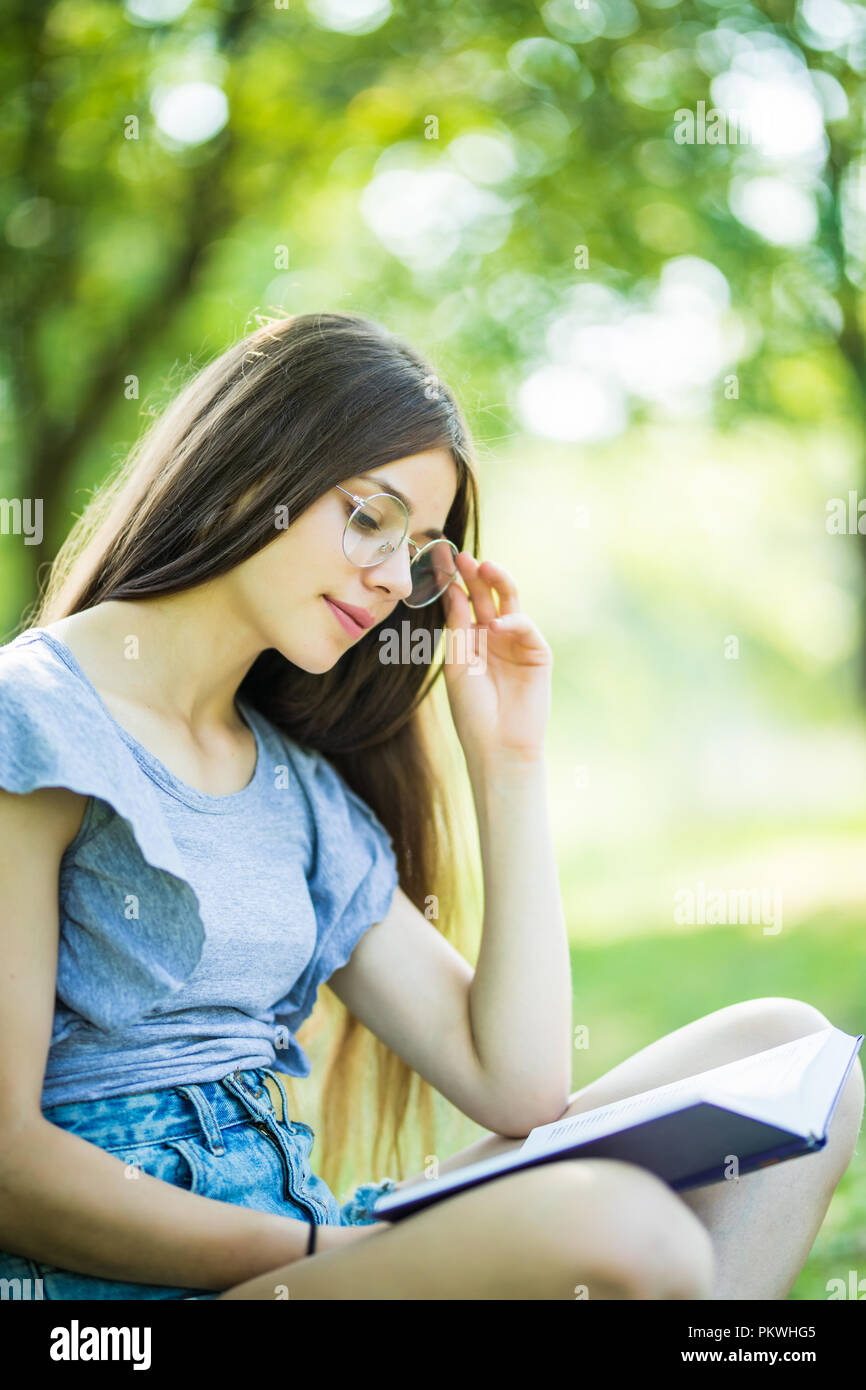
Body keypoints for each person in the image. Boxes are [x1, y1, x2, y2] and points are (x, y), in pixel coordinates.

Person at [0, 312, 861, 1301]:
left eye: (413, 552)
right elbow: (8, 1165)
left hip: (306, 1242)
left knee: (793, 1054)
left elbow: (518, 1085)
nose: (383, 580)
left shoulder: (294, 791)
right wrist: (328, 1253)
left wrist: (509, 763)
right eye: (368, 517)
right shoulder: (34, 720)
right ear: (247, 462)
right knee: (619, 1230)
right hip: (150, 1294)